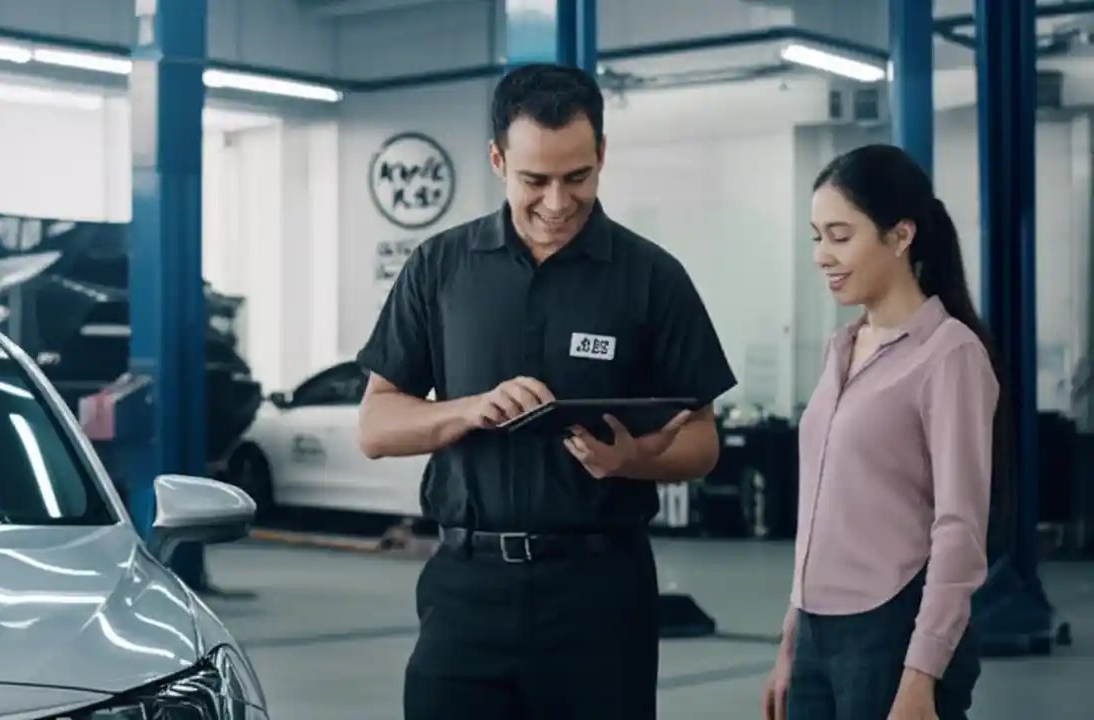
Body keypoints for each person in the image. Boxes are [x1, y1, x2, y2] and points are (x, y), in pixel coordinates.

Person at [355, 62, 737, 720]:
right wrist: (467, 410)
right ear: (498, 159)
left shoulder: (652, 278)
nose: (557, 204)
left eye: (577, 178)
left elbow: (702, 440)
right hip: (466, 590)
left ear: (602, 155)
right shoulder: (440, 268)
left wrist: (633, 461)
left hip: (599, 593)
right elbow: (376, 426)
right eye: (535, 181)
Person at [761, 144, 1001, 720]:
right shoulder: (839, 349)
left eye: (840, 236)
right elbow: (817, 509)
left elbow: (959, 529)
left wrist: (922, 676)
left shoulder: (950, 355)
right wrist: (790, 645)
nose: (822, 255)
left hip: (892, 631)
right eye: (816, 236)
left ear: (900, 237)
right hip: (817, 632)